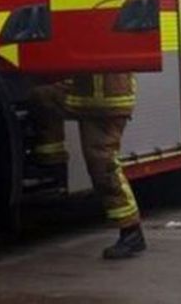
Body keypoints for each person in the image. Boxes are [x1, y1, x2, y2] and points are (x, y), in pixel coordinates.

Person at [30, 73, 145, 259]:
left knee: (103, 167)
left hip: (107, 104)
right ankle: (52, 160)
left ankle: (131, 231)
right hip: (82, 96)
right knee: (42, 96)